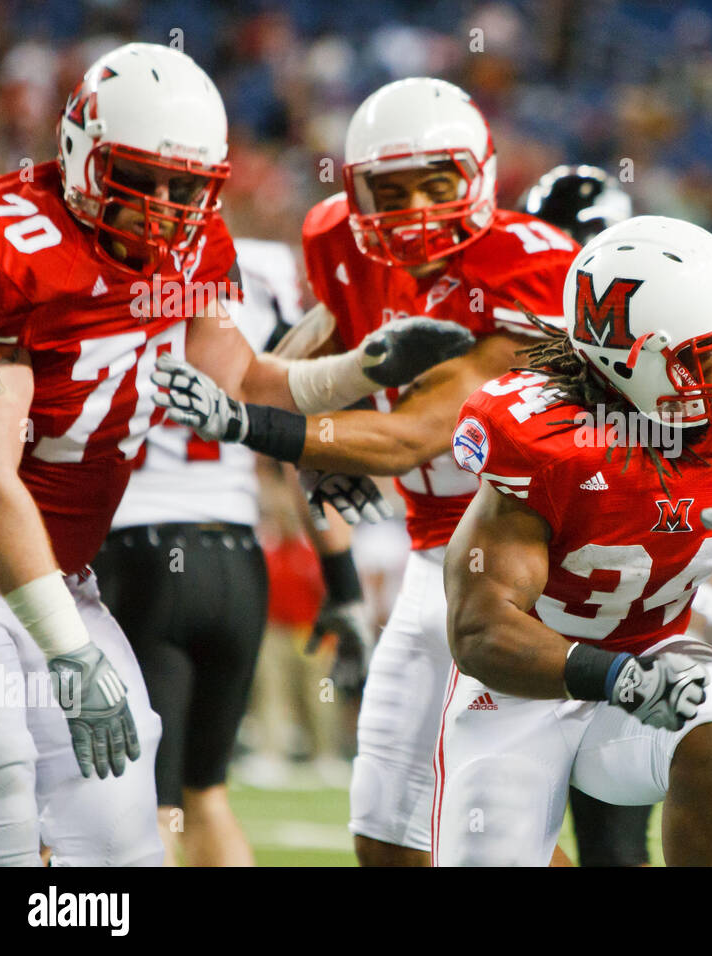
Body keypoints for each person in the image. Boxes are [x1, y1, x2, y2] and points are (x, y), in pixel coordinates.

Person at [0, 42, 464, 868]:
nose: (167, 207)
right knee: (2, 797)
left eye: (187, 186)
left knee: (122, 836)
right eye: (142, 179)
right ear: (81, 152)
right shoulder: (9, 242)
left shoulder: (193, 247)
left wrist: (363, 364)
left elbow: (242, 379)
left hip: (67, 574)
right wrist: (67, 648)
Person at [159, 78, 579, 867]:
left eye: (437, 184)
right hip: (431, 559)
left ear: (480, 177)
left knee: (493, 835)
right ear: (356, 192)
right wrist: (311, 453)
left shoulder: (526, 261)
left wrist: (268, 431)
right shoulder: (339, 240)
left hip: (533, 565)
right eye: (392, 189)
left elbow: (415, 435)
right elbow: (291, 370)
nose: (416, 207)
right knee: (387, 832)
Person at [434, 215, 712, 866]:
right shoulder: (544, 438)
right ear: (636, 362)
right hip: (524, 688)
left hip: (659, 651)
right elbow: (482, 631)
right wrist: (618, 677)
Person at [92, 237, 301, 866]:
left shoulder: (100, 300)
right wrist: (342, 585)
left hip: (139, 550)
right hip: (238, 552)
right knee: (207, 794)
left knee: (150, 802)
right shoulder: (256, 308)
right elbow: (302, 431)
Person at [521, 162, 650, 866]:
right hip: (531, 615)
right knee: (504, 829)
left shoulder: (663, 351)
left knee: (615, 843)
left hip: (628, 610)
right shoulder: (527, 355)